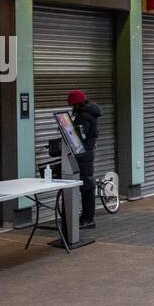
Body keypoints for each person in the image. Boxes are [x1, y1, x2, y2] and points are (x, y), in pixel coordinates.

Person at [67, 89, 101, 230]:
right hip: (87, 153)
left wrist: (69, 132)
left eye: (72, 105)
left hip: (83, 155)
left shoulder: (84, 116)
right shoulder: (89, 113)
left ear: (76, 104)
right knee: (87, 184)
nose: (71, 108)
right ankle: (87, 217)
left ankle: (87, 219)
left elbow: (79, 137)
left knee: (86, 186)